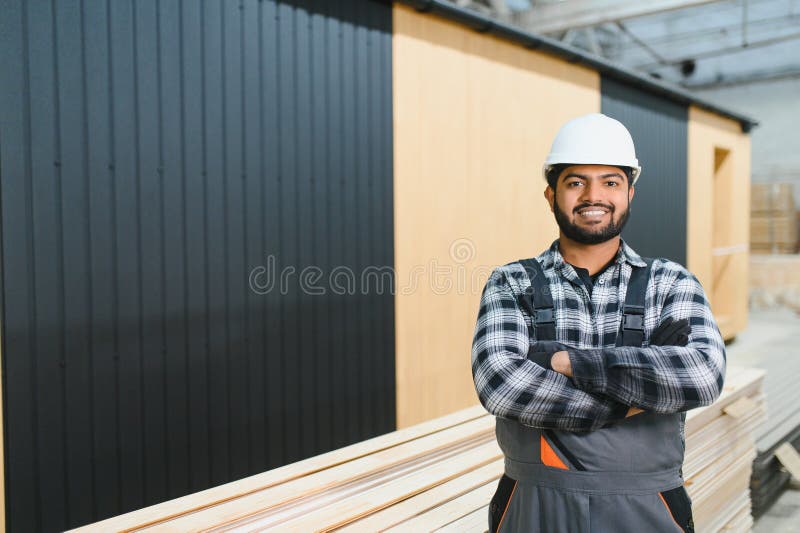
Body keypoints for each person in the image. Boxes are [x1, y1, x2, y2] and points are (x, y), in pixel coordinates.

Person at [471, 113, 725, 532]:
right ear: (551, 195)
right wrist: (642, 394)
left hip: (649, 507)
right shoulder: (512, 282)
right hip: (534, 506)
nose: (594, 195)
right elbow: (501, 385)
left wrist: (569, 363)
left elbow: (702, 376)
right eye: (576, 182)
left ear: (630, 193)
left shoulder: (671, 282)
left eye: (610, 182)